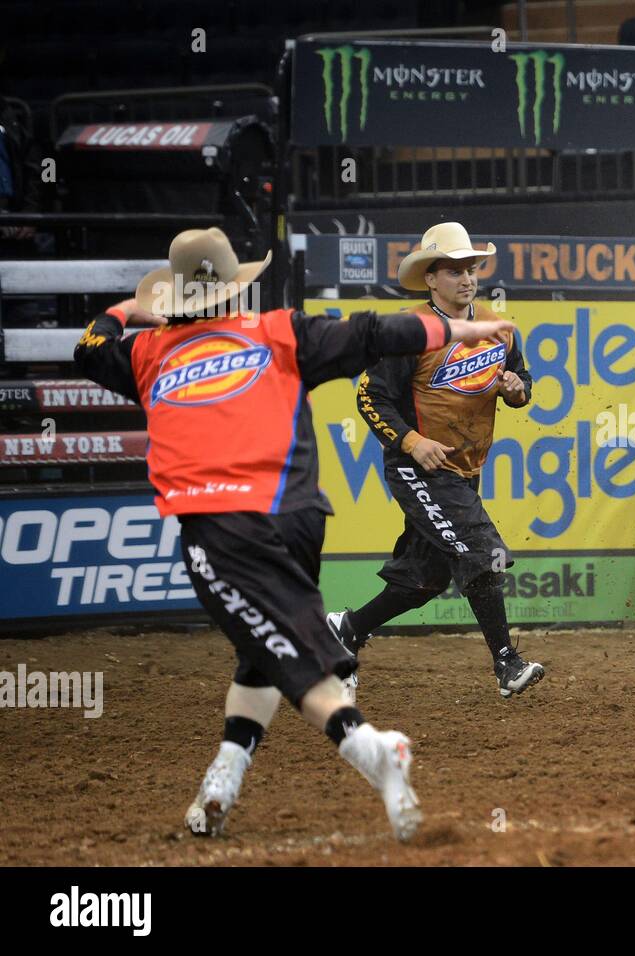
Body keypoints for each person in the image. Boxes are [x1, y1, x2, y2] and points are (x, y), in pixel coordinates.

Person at [72, 227, 516, 842]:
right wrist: (458, 330)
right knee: (263, 645)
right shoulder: (277, 332)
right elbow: (373, 333)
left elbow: (90, 348)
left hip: (222, 528)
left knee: (289, 654)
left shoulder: (148, 355)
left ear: (174, 301)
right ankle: (222, 780)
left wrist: (129, 311)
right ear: (236, 292)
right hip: (301, 516)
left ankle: (368, 747)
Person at [326, 223, 545, 700]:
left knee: (423, 580)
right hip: (420, 468)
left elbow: (523, 381)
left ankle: (346, 628)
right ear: (430, 278)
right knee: (481, 551)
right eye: (454, 270)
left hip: (465, 471)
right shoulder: (407, 334)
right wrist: (410, 443)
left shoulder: (499, 330)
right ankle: (507, 664)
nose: (467, 278)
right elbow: (370, 398)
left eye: (471, 268)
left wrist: (517, 391)